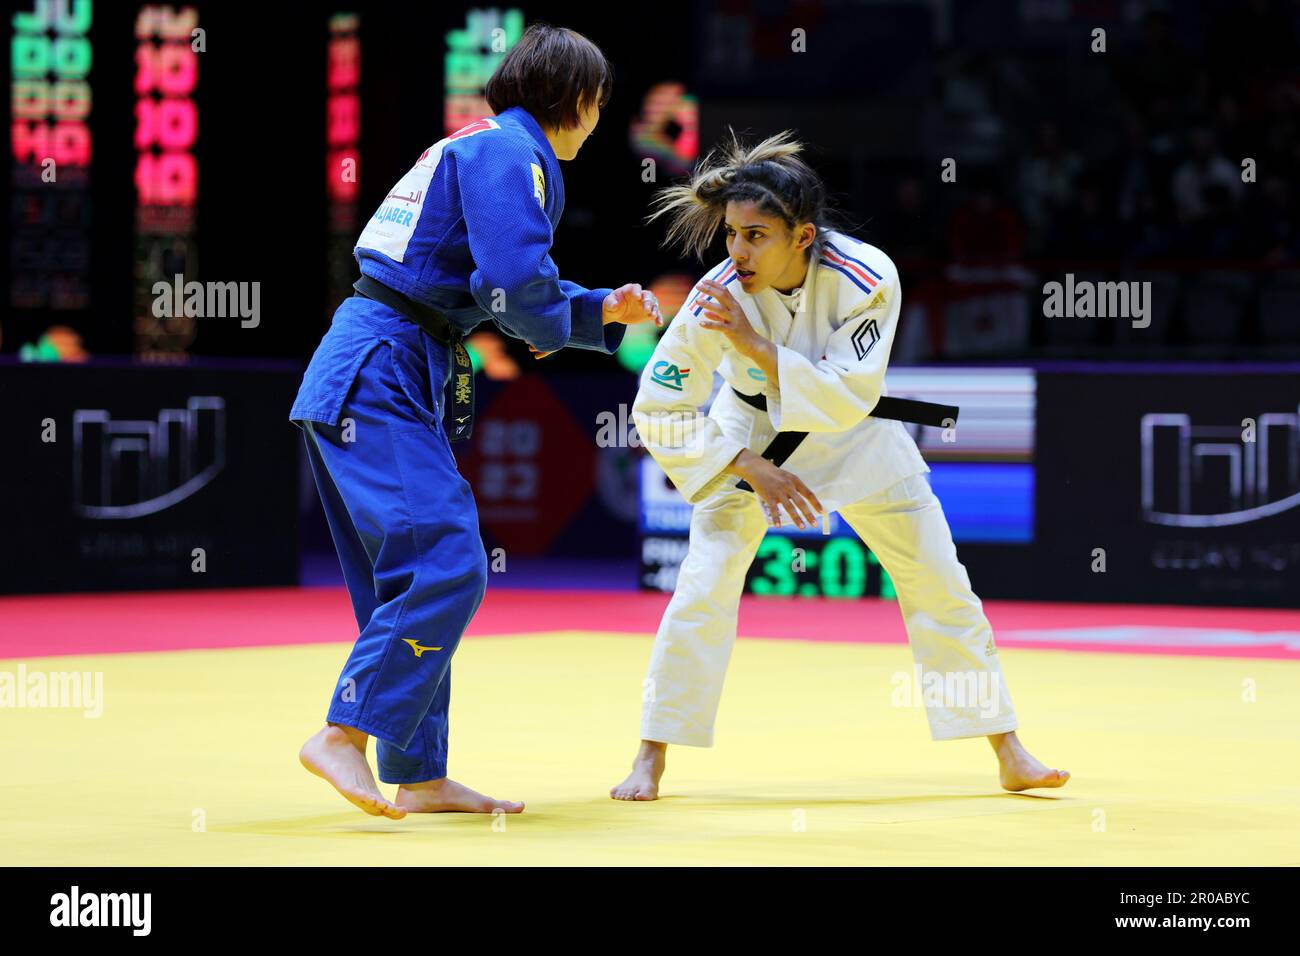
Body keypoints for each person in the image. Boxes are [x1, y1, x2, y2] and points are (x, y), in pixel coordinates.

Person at [611, 131, 1068, 801]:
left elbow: (848, 393)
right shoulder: (716, 293)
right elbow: (660, 405)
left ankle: (1007, 746)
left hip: (855, 432)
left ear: (802, 237)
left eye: (755, 236)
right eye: (733, 234)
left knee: (939, 578)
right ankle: (651, 755)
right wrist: (747, 465)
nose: (737, 251)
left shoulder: (869, 275)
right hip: (749, 430)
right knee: (703, 586)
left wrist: (755, 344)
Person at [290, 23, 660, 819]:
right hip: (379, 368)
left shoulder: (476, 144)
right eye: (598, 102)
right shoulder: (508, 154)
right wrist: (573, 319)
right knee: (451, 559)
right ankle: (344, 733)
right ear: (577, 99)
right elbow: (514, 285)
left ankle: (418, 774)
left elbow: (502, 284)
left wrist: (594, 312)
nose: (598, 119)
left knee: (410, 576)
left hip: (373, 365)